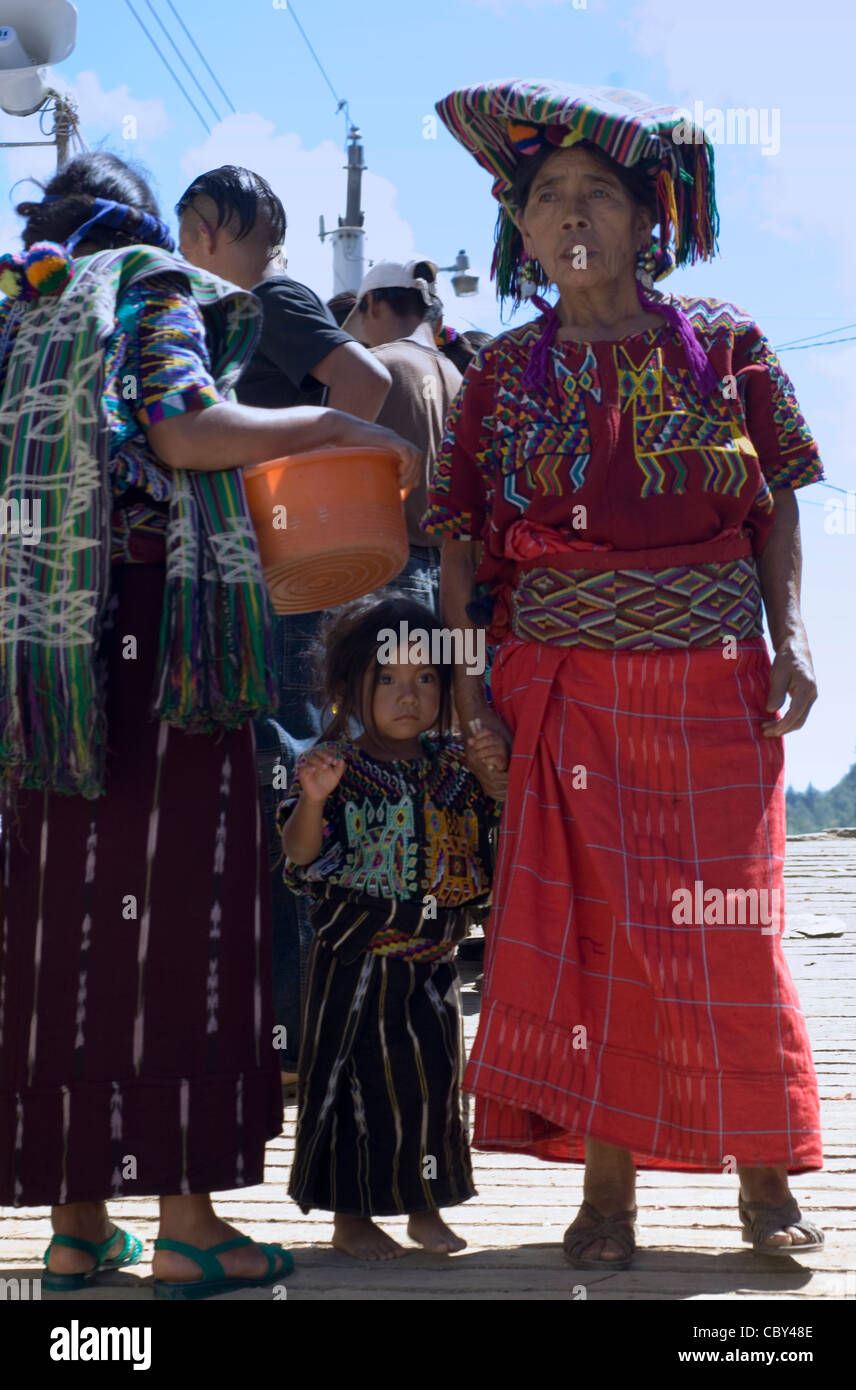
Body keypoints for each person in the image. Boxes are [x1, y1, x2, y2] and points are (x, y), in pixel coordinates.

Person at [0, 151, 420, 1299]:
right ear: (149, 221)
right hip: (157, 642)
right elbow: (184, 428)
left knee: (62, 934)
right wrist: (324, 436)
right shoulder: (148, 280)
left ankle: (76, 1226)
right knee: (181, 912)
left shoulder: (23, 309)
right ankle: (188, 1221)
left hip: (45, 666)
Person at [424, 79, 826, 1269]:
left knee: (725, 934)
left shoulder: (728, 344)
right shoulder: (497, 376)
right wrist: (460, 683)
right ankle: (604, 1195)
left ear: (648, 216)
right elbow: (455, 538)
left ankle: (764, 1179)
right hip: (560, 687)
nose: (571, 211)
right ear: (523, 231)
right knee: (589, 938)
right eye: (547, 196)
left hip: (711, 681)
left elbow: (776, 506)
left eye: (597, 189)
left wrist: (791, 635)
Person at [176, 166, 393, 1100]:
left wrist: (288, 458)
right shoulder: (201, 316)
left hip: (279, 576)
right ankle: (277, 1022)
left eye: (201, 229)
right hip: (242, 576)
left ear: (209, 230)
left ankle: (299, 1030)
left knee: (288, 771)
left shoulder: (268, 296)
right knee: (260, 782)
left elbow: (364, 382)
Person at [277, 595, 507, 1259]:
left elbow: (498, 829)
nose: (408, 696)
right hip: (356, 957)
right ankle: (350, 1218)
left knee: (431, 1085)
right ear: (351, 690)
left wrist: (497, 773)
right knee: (352, 1084)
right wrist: (313, 800)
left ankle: (424, 1205)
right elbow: (297, 855)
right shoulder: (335, 770)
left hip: (435, 958)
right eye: (387, 680)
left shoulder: (455, 773)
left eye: (425, 679)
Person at [343, 261, 464, 617]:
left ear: (374, 305)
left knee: (380, 673)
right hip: (456, 577)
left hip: (390, 573)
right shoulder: (462, 378)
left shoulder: (376, 367)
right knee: (455, 672)